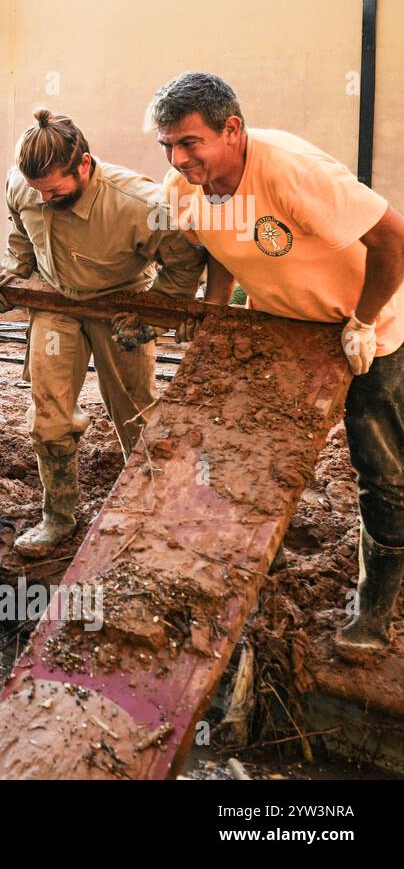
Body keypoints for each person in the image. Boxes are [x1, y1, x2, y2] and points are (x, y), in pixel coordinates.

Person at [151, 71, 404, 661]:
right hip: (281, 331)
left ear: (231, 129)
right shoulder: (182, 188)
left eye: (190, 142)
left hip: (367, 333)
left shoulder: (290, 170)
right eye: (167, 145)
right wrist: (214, 315)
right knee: (262, 452)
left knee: (383, 473)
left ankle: (373, 613)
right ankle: (262, 564)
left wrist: (365, 321)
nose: (178, 158)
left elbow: (393, 241)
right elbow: (221, 249)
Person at [0, 109, 204, 558]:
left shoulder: (142, 205)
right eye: (39, 191)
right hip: (57, 302)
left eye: (56, 189)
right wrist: (17, 274)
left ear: (84, 165)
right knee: (48, 419)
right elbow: (20, 231)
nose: (46, 199)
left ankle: (153, 510)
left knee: (137, 412)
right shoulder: (22, 185)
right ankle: (58, 517)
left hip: (123, 307)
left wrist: (153, 315)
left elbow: (185, 264)